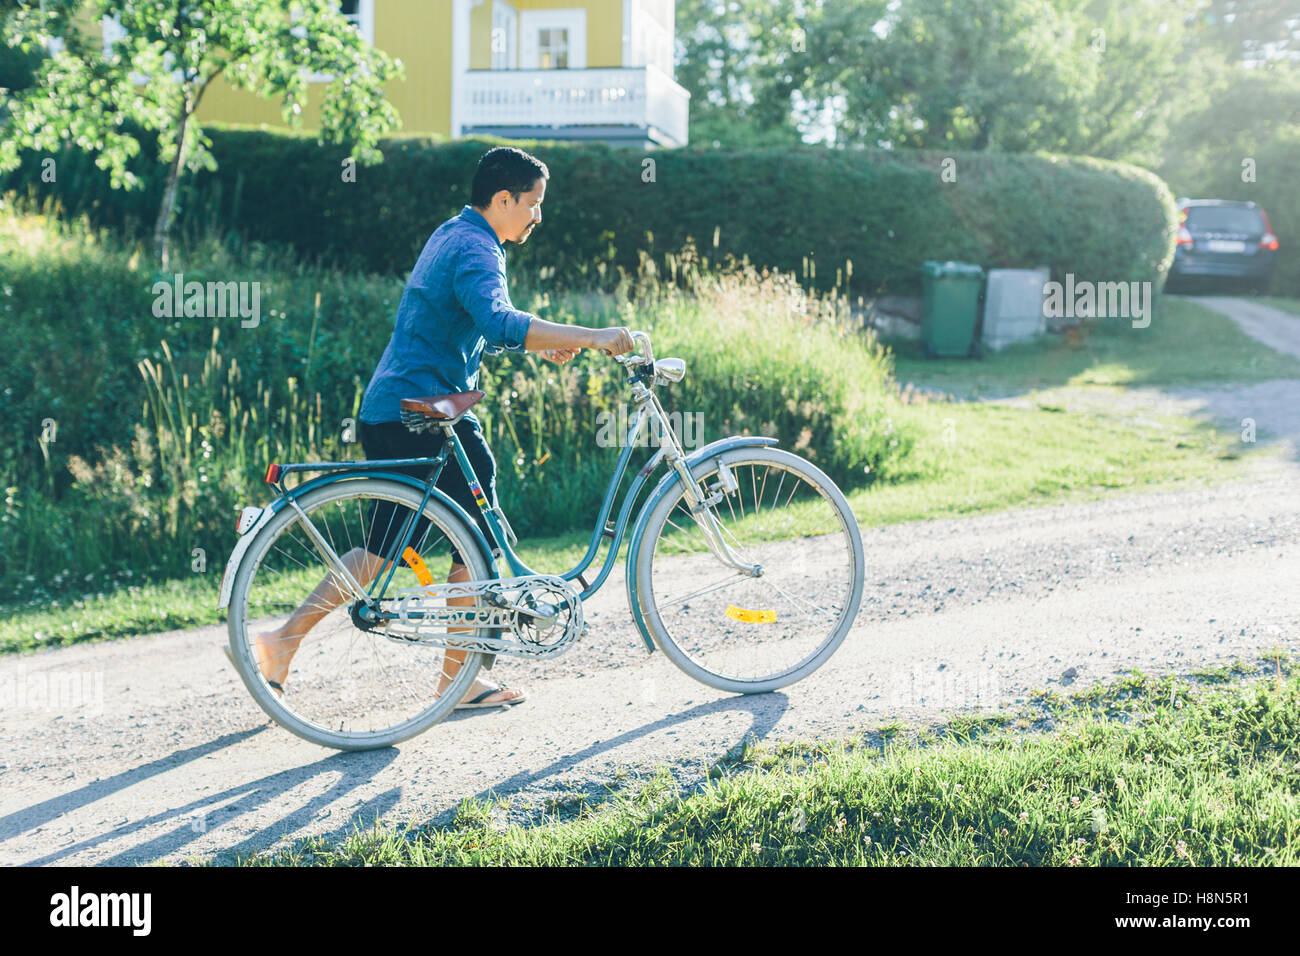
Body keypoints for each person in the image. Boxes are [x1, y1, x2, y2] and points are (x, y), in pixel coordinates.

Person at [247, 146, 634, 709]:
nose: (538, 216)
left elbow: (467, 325)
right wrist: (591, 335)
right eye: (533, 204)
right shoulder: (478, 246)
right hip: (423, 414)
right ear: (504, 199)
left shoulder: (455, 233)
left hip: (391, 410)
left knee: (382, 550)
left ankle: (281, 643)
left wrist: (547, 343)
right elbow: (500, 321)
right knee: (477, 542)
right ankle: (463, 681)